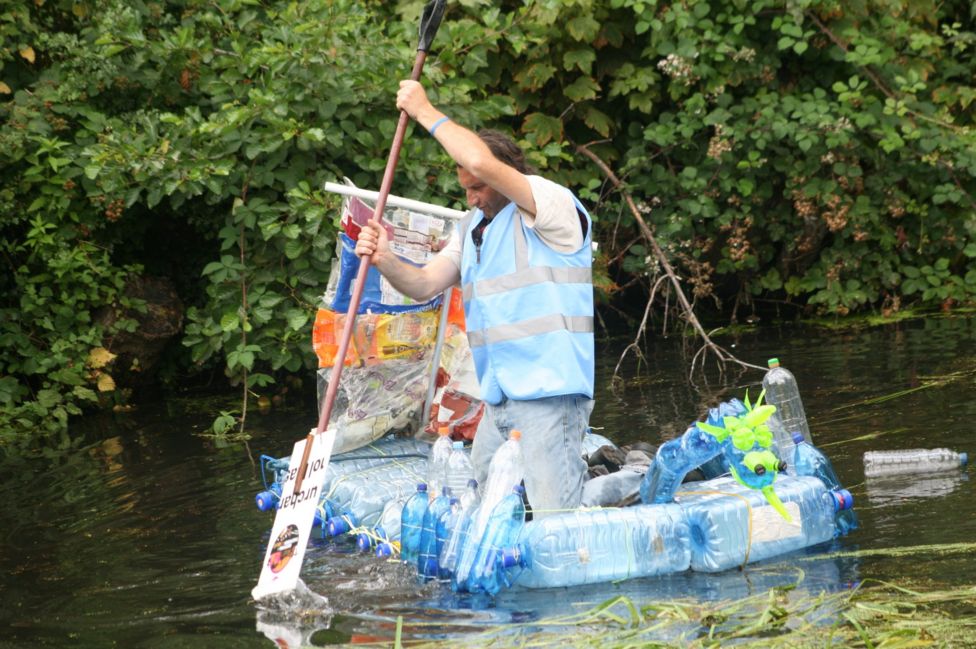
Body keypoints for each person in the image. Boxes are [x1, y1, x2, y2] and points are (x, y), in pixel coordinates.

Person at [354, 80, 595, 518]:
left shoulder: (553, 207)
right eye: (465, 188)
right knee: (483, 513)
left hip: (549, 397)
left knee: (555, 520)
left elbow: (478, 159)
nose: (472, 196)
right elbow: (425, 284)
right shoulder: (471, 230)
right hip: (499, 403)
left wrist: (423, 109)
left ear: (506, 175)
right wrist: (385, 258)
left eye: (479, 186)